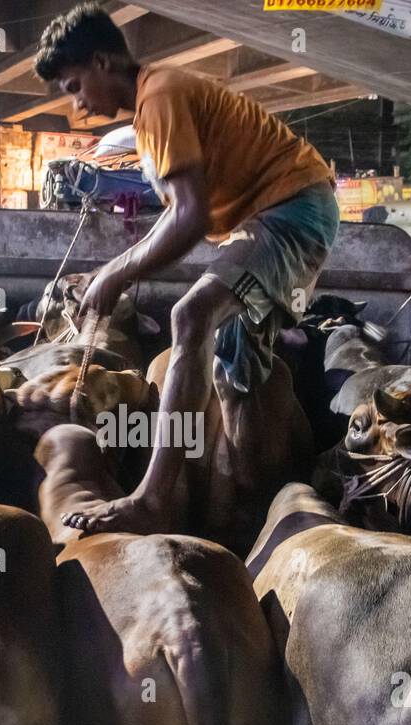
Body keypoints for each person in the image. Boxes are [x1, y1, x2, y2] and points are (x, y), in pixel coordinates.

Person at [35, 3, 338, 535]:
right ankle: (263, 486)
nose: (77, 103)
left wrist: (117, 274)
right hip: (267, 216)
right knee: (235, 371)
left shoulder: (160, 95)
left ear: (103, 62)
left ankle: (151, 499)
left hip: (290, 209)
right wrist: (113, 269)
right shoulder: (150, 110)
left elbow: (190, 218)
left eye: (75, 86)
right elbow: (178, 211)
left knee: (190, 315)